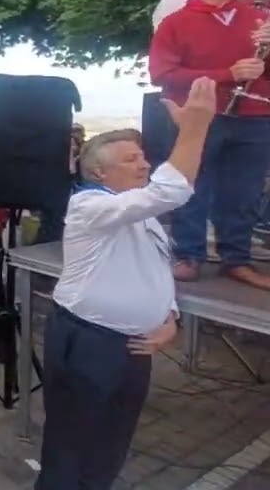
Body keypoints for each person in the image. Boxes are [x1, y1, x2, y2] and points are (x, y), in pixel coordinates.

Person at [36, 79, 216, 490]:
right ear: (100, 171)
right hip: (90, 342)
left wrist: (169, 315)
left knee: (111, 445)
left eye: (144, 157)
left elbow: (154, 266)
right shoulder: (88, 205)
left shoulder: (137, 212)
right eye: (132, 159)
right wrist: (196, 127)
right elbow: (170, 192)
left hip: (134, 346)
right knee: (71, 449)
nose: (144, 165)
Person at [150, 0, 270, 288]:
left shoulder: (260, 19)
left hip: (256, 114)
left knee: (245, 191)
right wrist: (226, 74)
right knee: (192, 186)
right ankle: (189, 254)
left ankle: (237, 259)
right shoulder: (176, 23)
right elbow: (162, 75)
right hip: (199, 116)